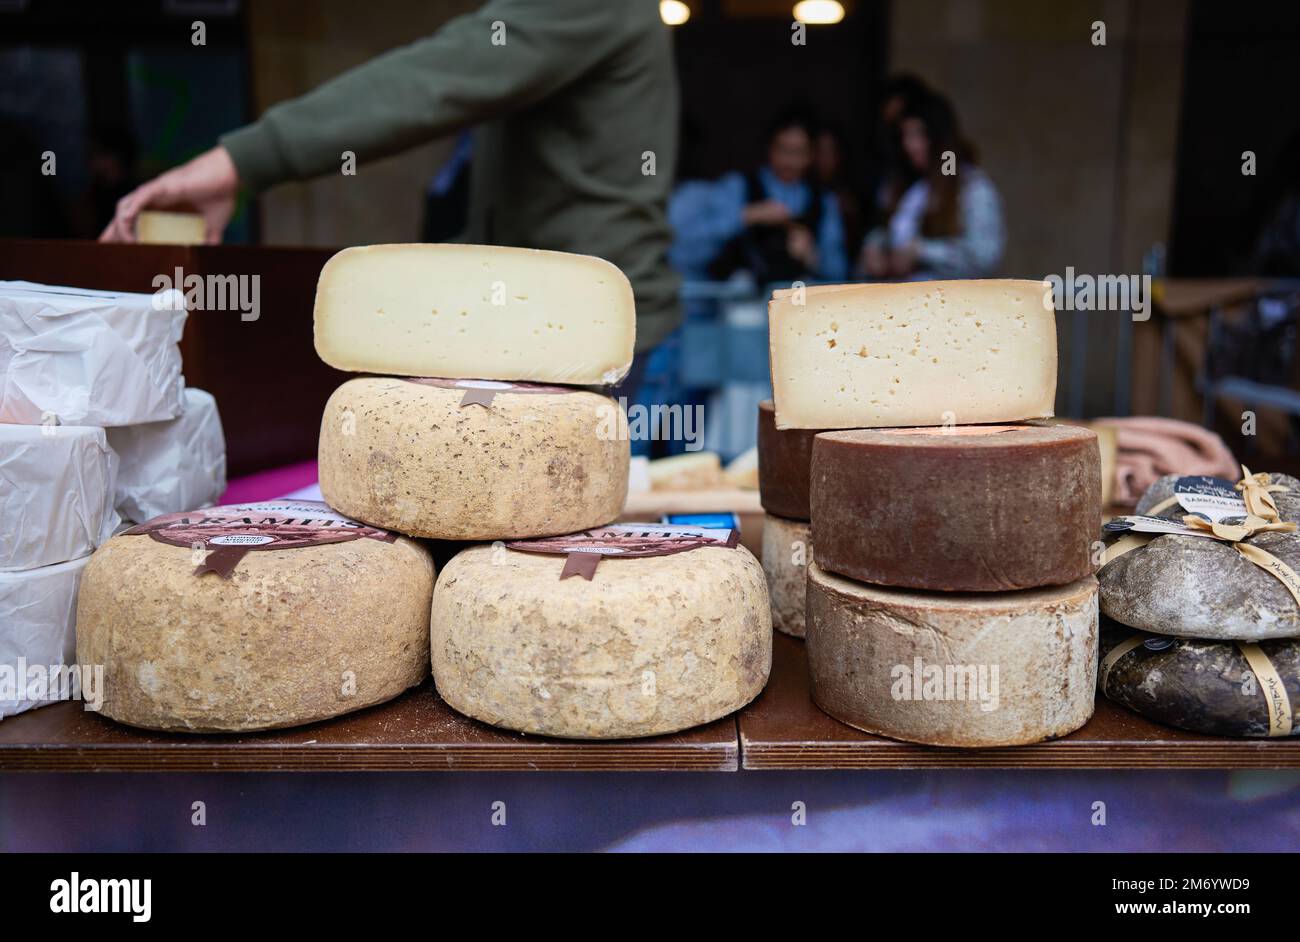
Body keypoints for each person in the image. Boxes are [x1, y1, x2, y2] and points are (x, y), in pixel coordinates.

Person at [99, 0, 681, 358]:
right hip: (559, 326)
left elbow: (439, 77)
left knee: (587, 551)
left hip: (596, 339)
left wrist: (239, 162)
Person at [670, 107, 848, 285]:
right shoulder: (738, 188)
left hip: (799, 301)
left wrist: (812, 255)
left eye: (798, 152)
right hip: (745, 303)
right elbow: (687, 249)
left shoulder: (823, 202)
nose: (789, 161)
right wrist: (747, 216)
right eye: (783, 150)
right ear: (769, 148)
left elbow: (840, 272)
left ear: (810, 156)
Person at [859, 90, 1004, 280]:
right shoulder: (908, 186)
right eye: (905, 136)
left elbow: (983, 257)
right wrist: (874, 247)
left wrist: (921, 252)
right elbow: (889, 231)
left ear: (939, 138)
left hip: (950, 302)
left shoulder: (970, 187)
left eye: (918, 135)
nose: (910, 146)